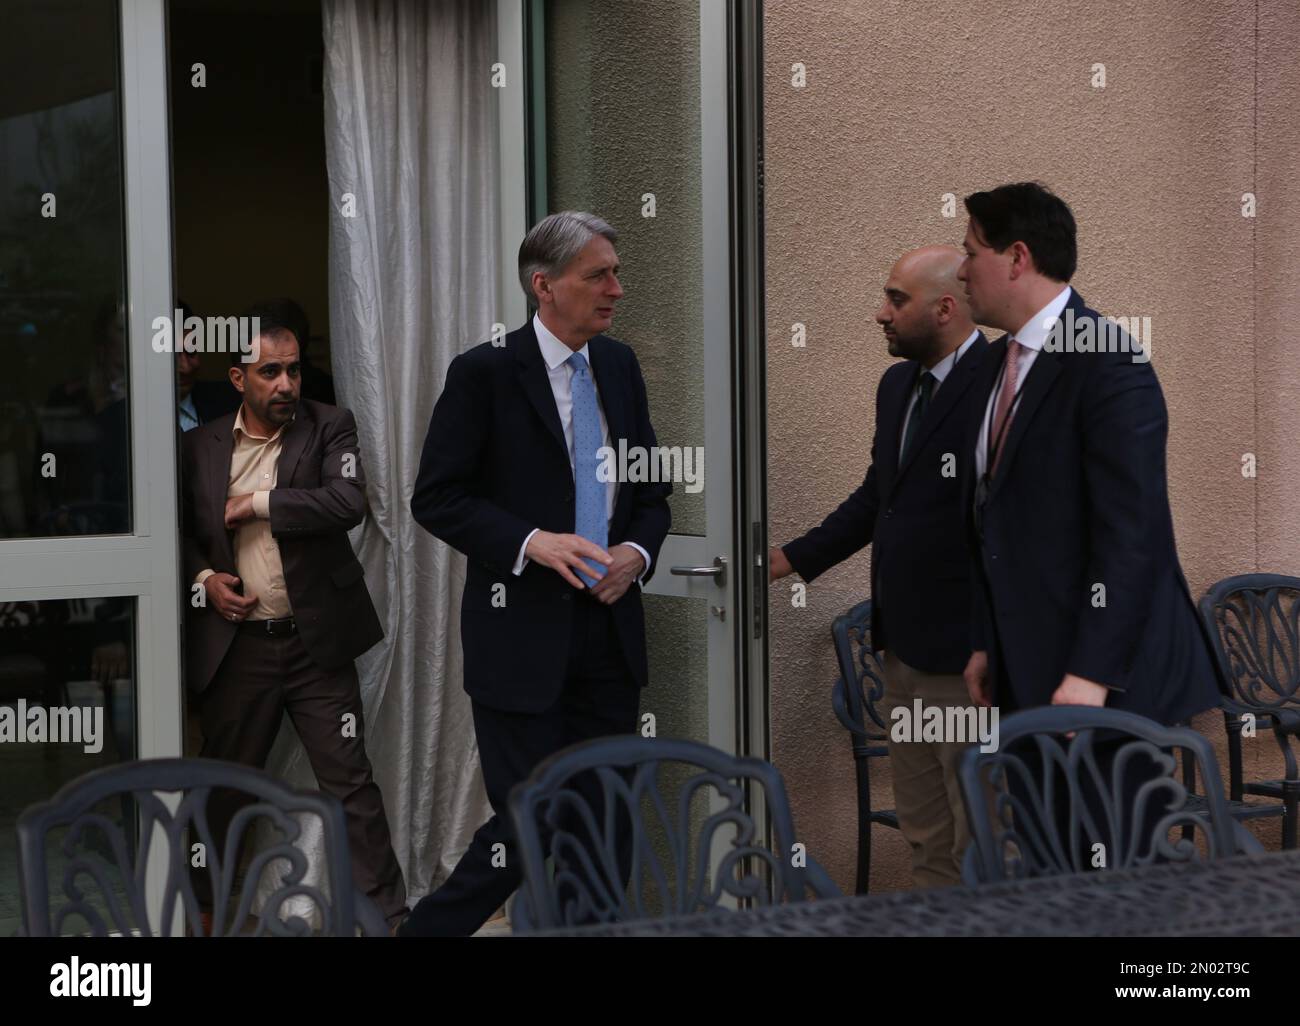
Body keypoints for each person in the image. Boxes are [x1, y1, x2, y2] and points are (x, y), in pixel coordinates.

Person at [402, 211, 671, 936]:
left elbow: (650, 493)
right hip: (518, 639)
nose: (617, 288)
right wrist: (531, 542)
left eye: (616, 271)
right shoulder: (484, 371)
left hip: (610, 636)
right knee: (532, 820)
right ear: (544, 286)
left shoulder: (619, 365)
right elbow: (436, 497)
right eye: (599, 275)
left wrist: (636, 555)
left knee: (605, 824)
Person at [957, 182, 1221, 858]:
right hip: (1027, 672)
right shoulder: (997, 362)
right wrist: (991, 642)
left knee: (1117, 882)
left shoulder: (1109, 362)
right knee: (1048, 871)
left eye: (971, 252)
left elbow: (1131, 535)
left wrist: (1091, 675)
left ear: (1017, 258)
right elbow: (999, 519)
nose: (961, 271)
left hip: (1104, 685)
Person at [181, 305, 406, 929]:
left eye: (294, 371)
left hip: (315, 646)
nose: (285, 385)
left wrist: (251, 503)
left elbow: (345, 502)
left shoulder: (330, 426)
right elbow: (178, 535)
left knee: (350, 785)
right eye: (270, 372)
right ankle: (207, 914)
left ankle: (388, 918)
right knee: (225, 788)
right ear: (238, 379)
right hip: (239, 648)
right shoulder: (198, 446)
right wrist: (204, 580)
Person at [770, 246, 989, 887]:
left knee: (981, 829)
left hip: (968, 664)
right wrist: (787, 559)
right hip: (903, 655)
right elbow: (879, 498)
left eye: (896, 299)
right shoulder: (897, 387)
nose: (880, 314)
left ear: (945, 308)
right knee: (926, 831)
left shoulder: (1002, 383)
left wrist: (991, 642)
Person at [175, 301, 239, 431]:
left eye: (192, 351)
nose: (186, 367)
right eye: (173, 355)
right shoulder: (125, 418)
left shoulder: (230, 403)